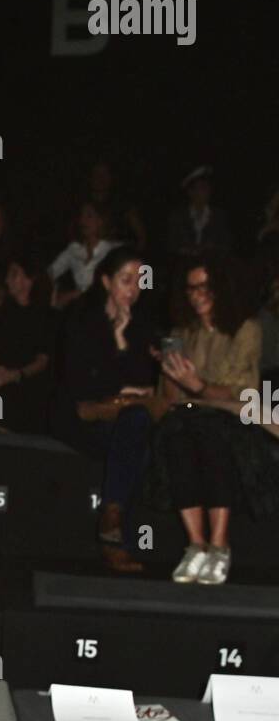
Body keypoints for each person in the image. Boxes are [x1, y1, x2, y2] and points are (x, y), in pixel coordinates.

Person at [145, 253, 264, 584]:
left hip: (235, 419)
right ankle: (196, 544)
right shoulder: (185, 332)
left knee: (211, 436)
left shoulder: (245, 329)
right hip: (190, 419)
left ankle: (219, 544)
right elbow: (171, 400)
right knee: (175, 435)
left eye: (204, 287)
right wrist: (168, 370)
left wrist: (197, 385)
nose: (196, 295)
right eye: (191, 288)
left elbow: (244, 390)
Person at [52, 246, 158, 572]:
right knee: (134, 432)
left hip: (120, 419)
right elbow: (82, 386)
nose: (134, 289)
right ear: (106, 281)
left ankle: (112, 518)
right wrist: (122, 387)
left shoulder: (140, 326)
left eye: (139, 281)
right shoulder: (82, 320)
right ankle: (115, 541)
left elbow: (146, 386)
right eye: (126, 280)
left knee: (137, 426)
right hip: (79, 418)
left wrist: (123, 341)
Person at [0, 253, 56, 434]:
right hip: (1, 383)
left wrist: (15, 374)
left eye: (14, 274)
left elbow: (43, 360)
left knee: (30, 401)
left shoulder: (49, 317)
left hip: (30, 382)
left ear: (29, 280)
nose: (7, 280)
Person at [48, 200, 121, 308]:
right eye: (81, 216)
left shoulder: (113, 249)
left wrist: (75, 295)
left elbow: (135, 277)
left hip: (106, 310)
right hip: (80, 312)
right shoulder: (73, 250)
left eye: (89, 216)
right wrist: (54, 294)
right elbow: (50, 273)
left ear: (101, 220)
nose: (83, 220)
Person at [166, 166, 232, 258]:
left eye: (208, 187)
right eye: (202, 188)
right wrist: (189, 251)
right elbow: (172, 246)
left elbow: (226, 245)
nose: (207, 191)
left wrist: (210, 249)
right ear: (191, 192)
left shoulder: (219, 216)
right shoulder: (178, 216)